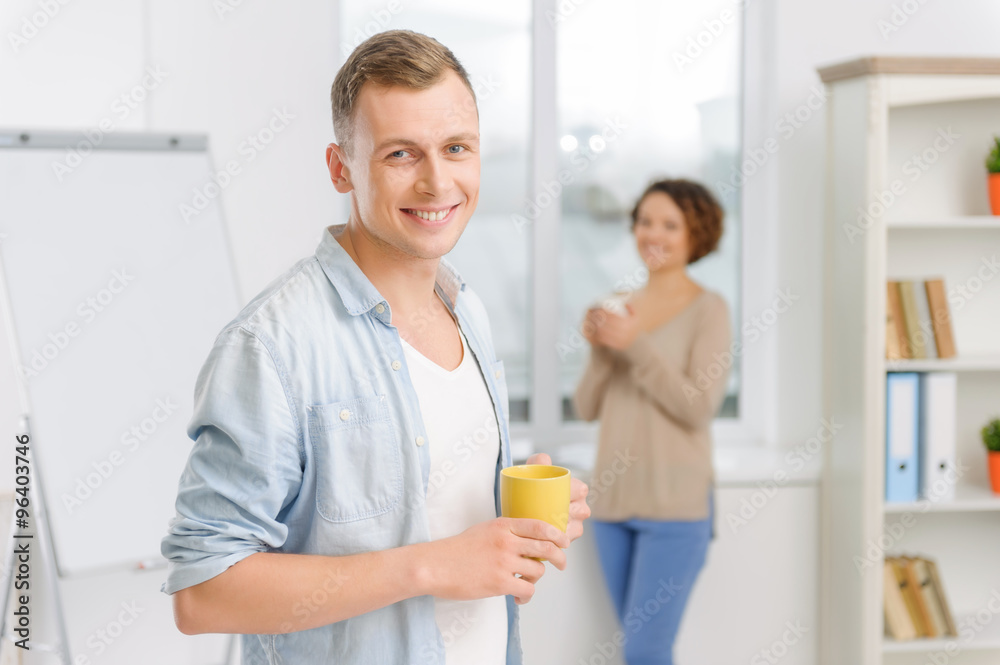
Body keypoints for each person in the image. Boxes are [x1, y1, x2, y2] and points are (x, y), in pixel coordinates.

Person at [160, 29, 590, 665]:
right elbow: (202, 593)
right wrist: (431, 568)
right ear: (342, 168)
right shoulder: (273, 345)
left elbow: (434, 515)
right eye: (401, 155)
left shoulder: (465, 307)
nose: (438, 181)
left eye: (456, 148)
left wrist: (512, 534)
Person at [572, 179, 731, 665]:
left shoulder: (711, 309)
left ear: (696, 234)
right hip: (613, 508)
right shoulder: (618, 303)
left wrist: (635, 344)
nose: (652, 234)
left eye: (669, 224)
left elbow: (698, 407)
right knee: (635, 648)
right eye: (645, 221)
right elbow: (585, 408)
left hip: (676, 512)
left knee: (646, 650)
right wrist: (602, 351)